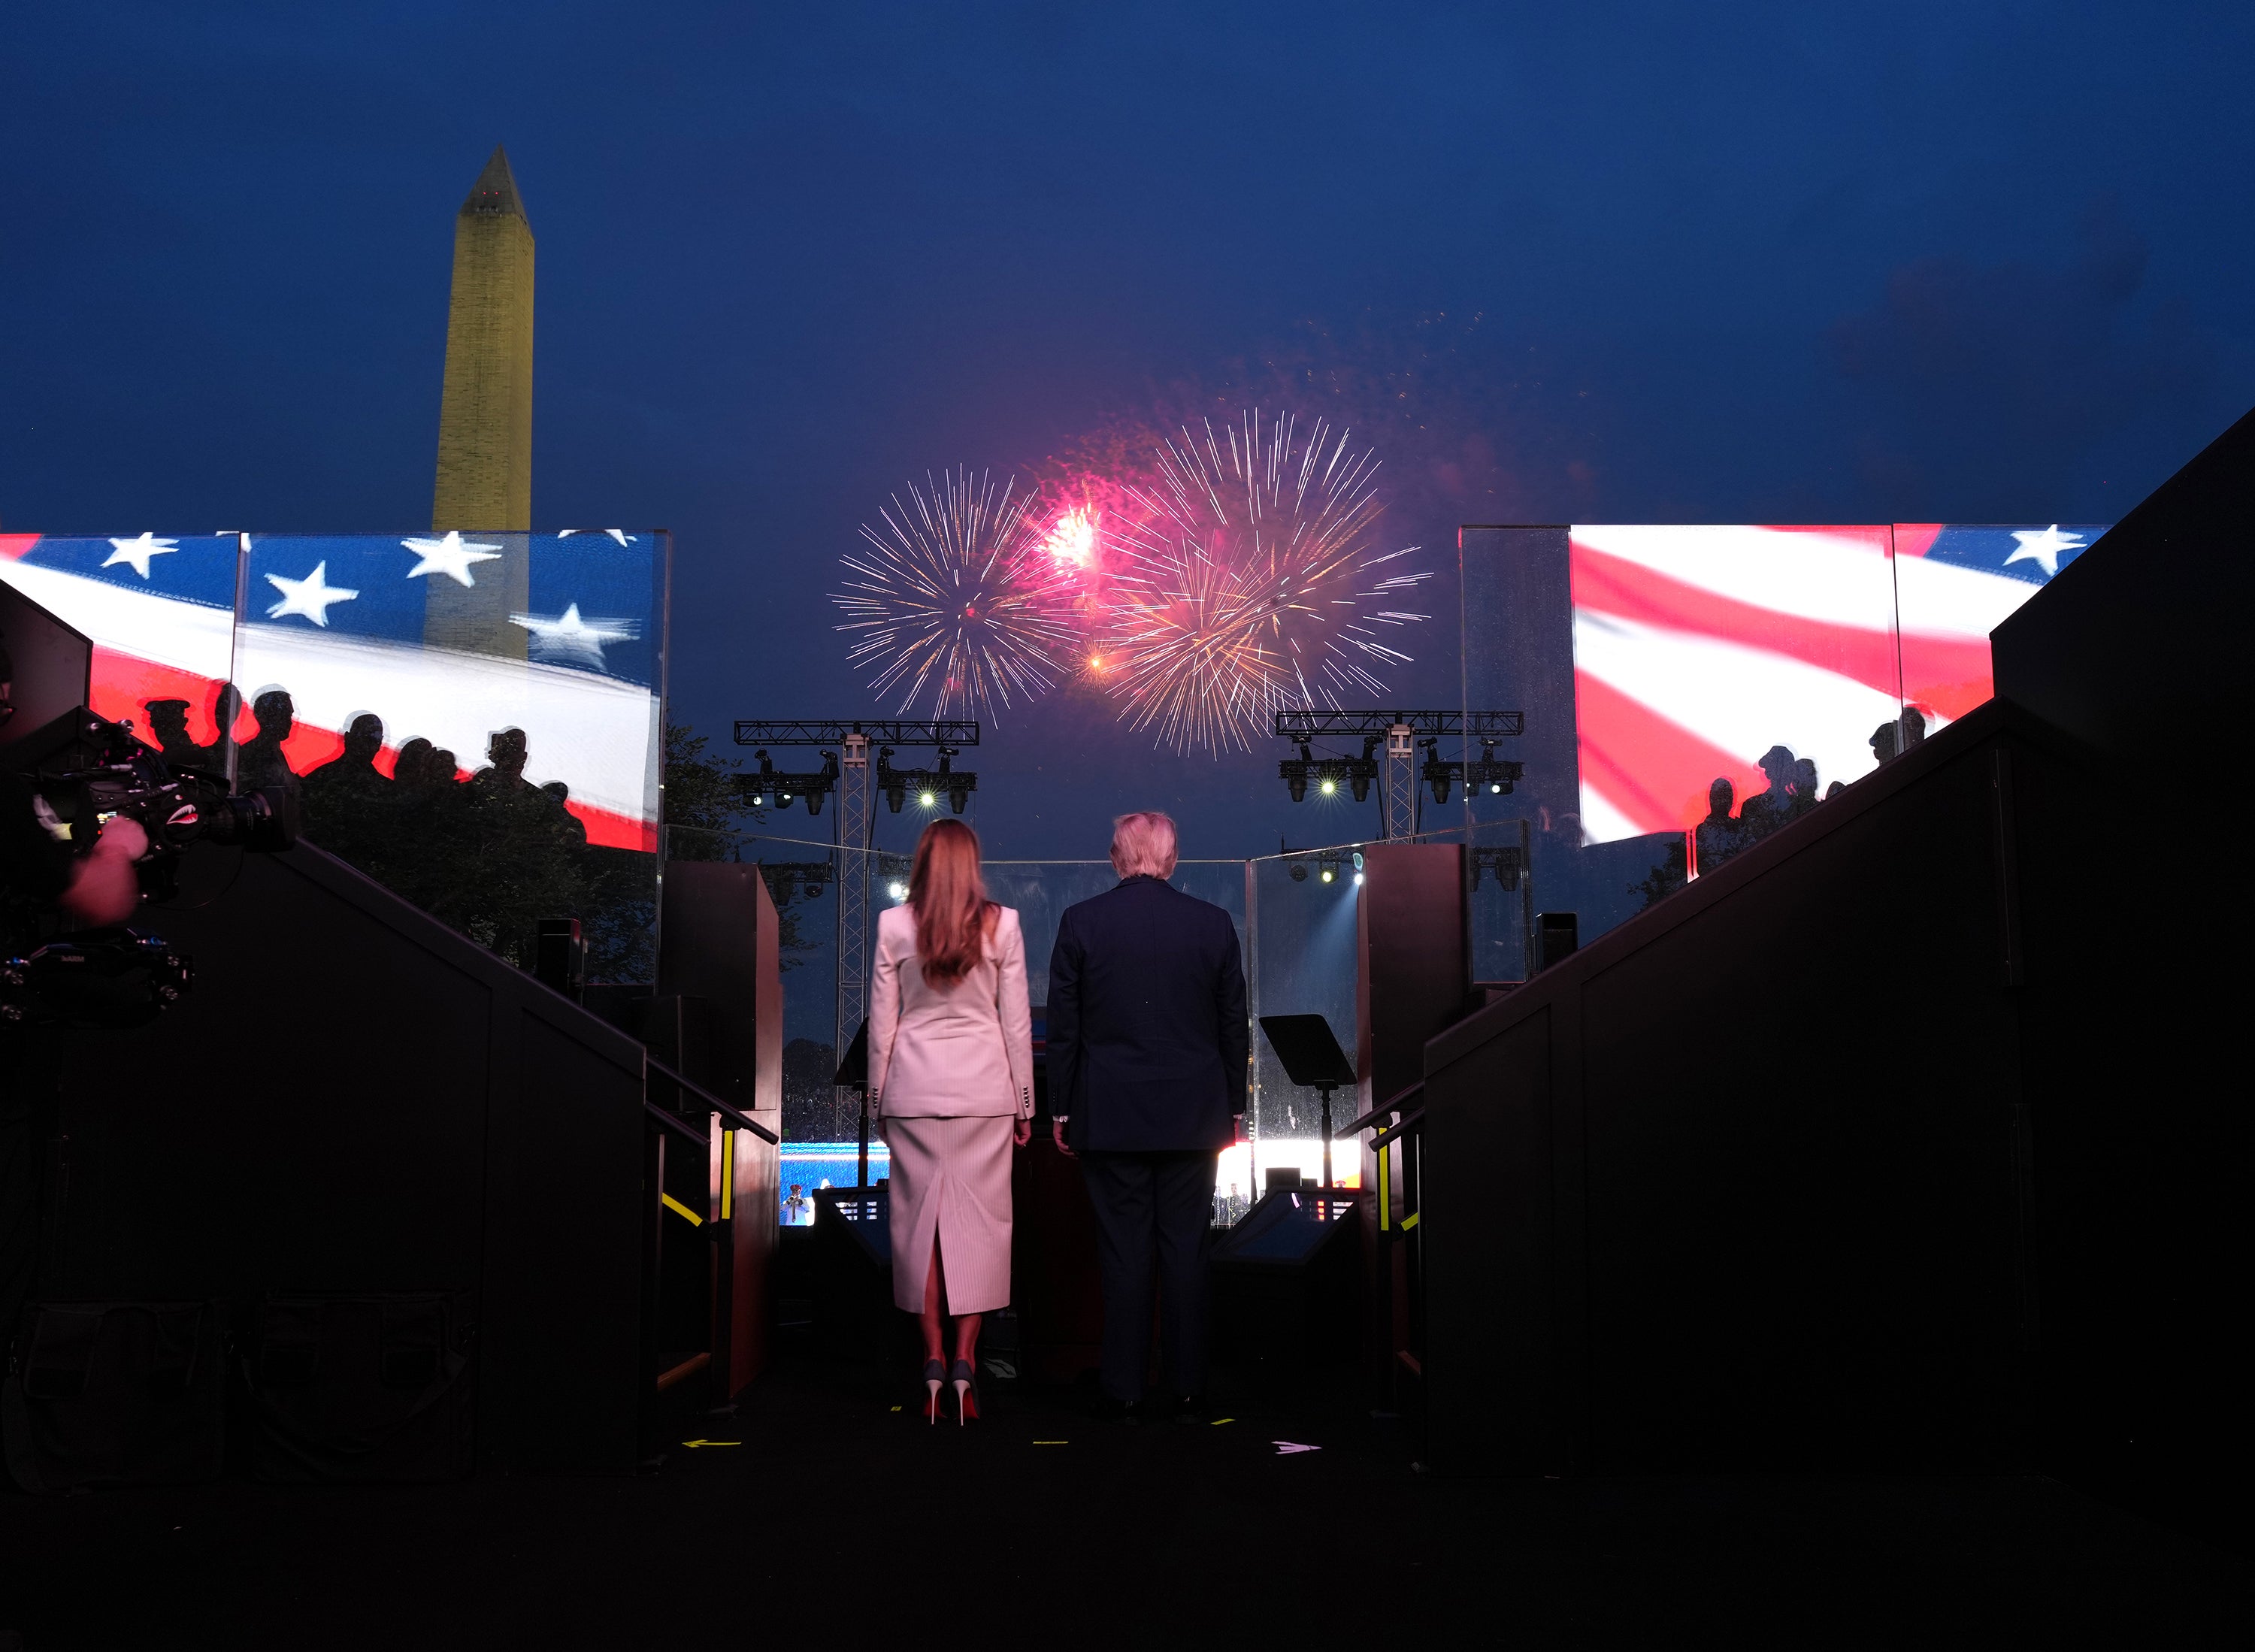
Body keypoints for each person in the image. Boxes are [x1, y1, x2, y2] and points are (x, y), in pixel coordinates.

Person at [1046, 811, 1248, 1423]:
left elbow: (1065, 1029)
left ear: (1116, 857)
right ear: (1172, 859)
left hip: (1110, 1117)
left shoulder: (1080, 922)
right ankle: (1188, 1387)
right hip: (1194, 1117)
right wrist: (1234, 1109)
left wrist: (1061, 1108)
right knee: (1187, 1251)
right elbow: (1232, 1026)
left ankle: (1125, 1389)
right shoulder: (1213, 924)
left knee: (1124, 1253)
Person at [867, 817, 1034, 1424]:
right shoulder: (1003, 924)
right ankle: (966, 1362)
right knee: (979, 1231)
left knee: (922, 1234)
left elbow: (882, 1027)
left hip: (912, 1096)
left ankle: (932, 1359)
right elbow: (1016, 1024)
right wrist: (1025, 1104)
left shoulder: (892, 926)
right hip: (983, 1098)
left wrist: (878, 1102)